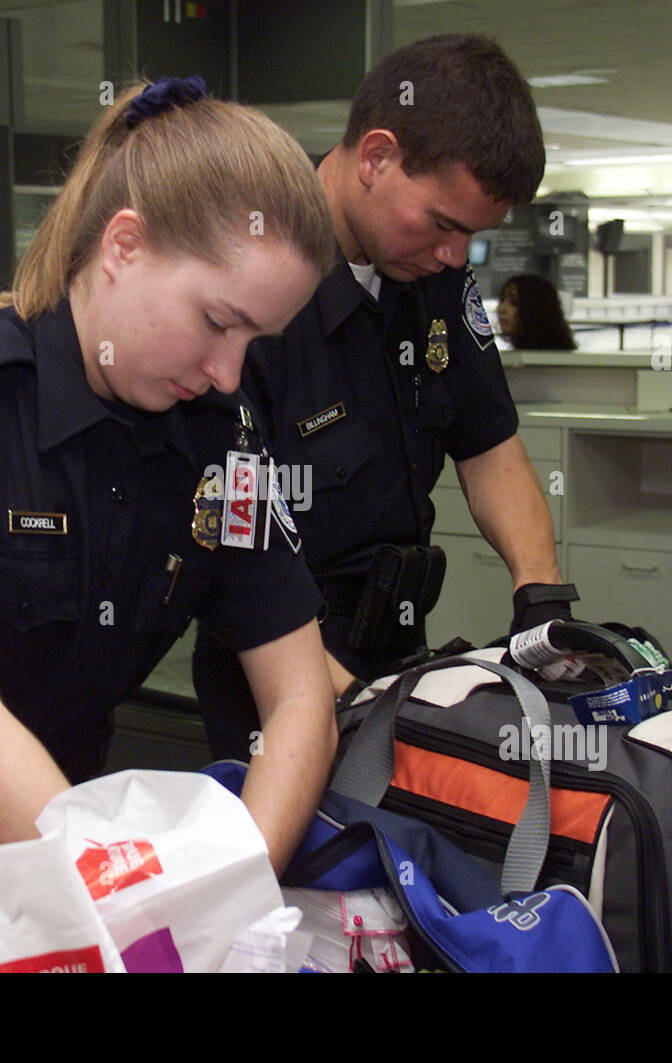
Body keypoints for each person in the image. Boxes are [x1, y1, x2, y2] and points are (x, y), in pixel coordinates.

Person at [0, 77, 340, 876]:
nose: (228, 372)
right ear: (123, 246)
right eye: (218, 322)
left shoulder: (223, 440)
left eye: (257, 341)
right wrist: (125, 893)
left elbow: (300, 701)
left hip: (62, 849)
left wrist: (237, 890)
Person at [192, 35, 582, 760]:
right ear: (375, 157)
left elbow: (489, 445)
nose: (456, 255)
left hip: (397, 647)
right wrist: (355, 704)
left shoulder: (433, 279)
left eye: (474, 235)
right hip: (275, 667)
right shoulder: (256, 289)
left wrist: (542, 598)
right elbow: (233, 536)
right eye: (444, 224)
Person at [497, 273, 576, 350]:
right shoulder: (519, 356)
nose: (501, 309)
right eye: (502, 300)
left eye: (514, 302)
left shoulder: (556, 359)